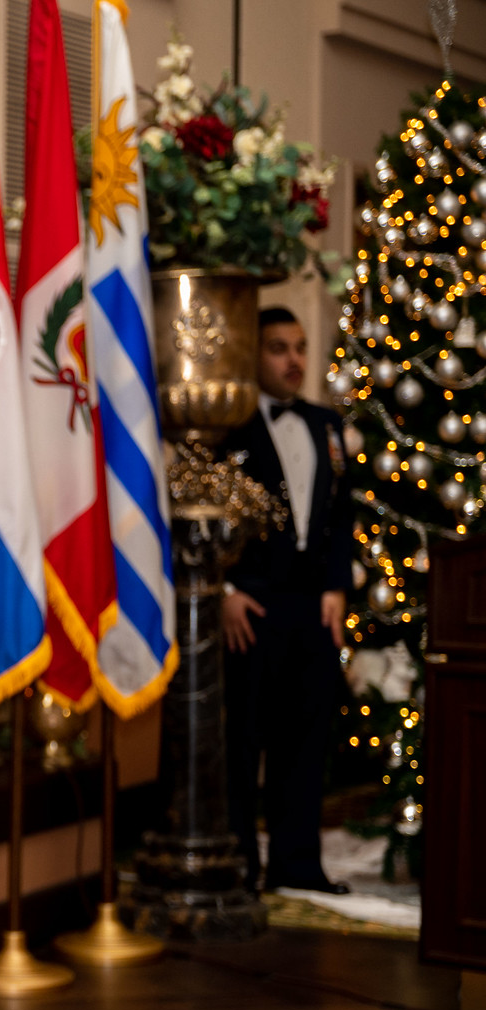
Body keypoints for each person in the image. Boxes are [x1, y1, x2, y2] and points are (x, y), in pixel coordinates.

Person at [220, 306, 353, 894]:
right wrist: (224, 592)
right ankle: (242, 863)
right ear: (254, 356)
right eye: (278, 348)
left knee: (307, 733)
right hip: (252, 604)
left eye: (300, 347)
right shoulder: (231, 427)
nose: (294, 360)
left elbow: (341, 513)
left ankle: (297, 863)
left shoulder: (327, 424)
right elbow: (201, 516)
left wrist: (336, 586)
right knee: (244, 738)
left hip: (311, 604)